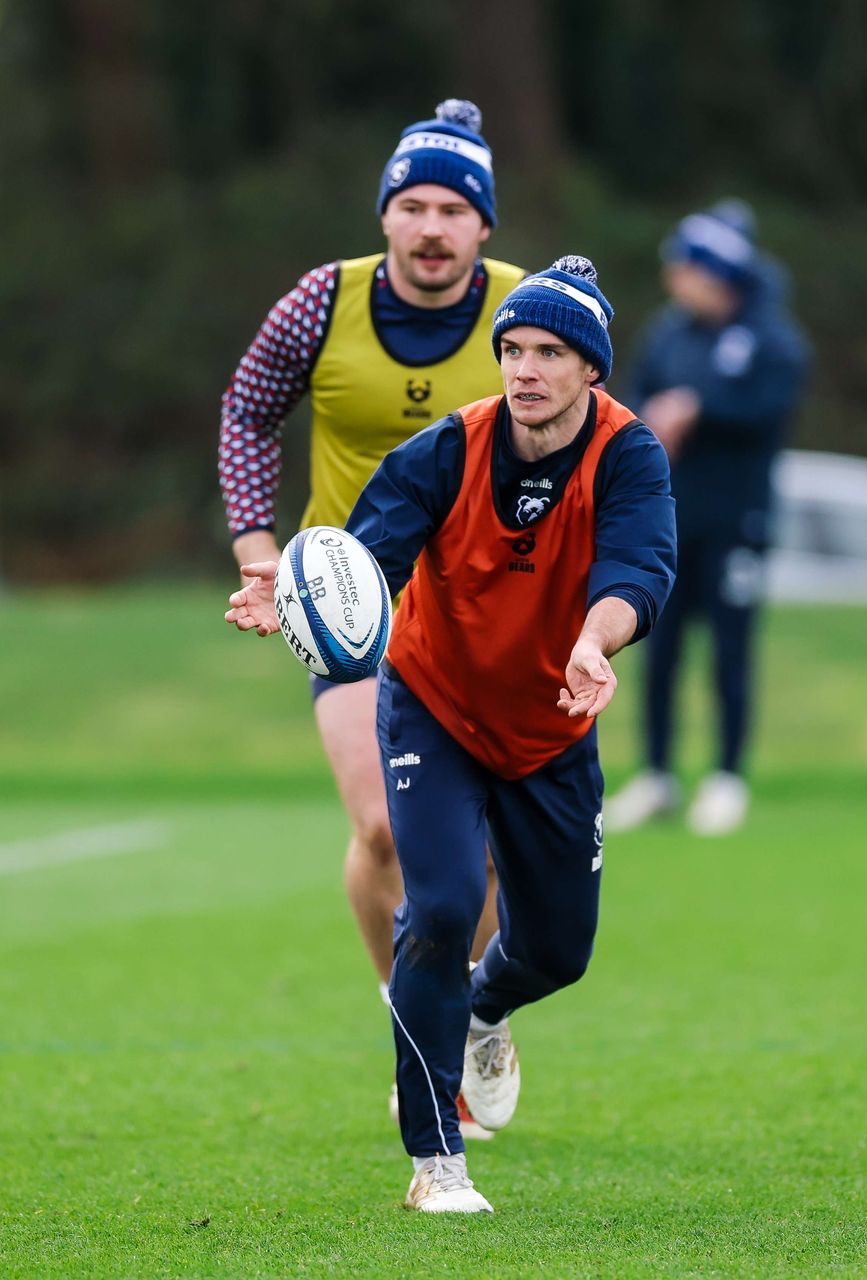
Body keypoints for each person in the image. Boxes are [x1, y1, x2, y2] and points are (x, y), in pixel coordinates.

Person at [227, 254, 676, 1211]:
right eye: (512, 348)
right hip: (433, 704)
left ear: (590, 370)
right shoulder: (449, 447)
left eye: (550, 352)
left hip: (552, 725)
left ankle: (483, 1011)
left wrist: (596, 644)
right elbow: (366, 560)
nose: (524, 369)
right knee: (435, 906)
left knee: (558, 951)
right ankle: (436, 1162)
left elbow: (640, 567)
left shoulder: (628, 454)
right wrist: (299, 592)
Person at [219, 100, 525, 1109]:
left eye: (453, 209)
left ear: (483, 226)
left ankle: (474, 1009)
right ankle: (415, 1019)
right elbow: (250, 410)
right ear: (385, 215)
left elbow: (594, 440)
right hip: (349, 599)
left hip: (486, 614)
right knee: (385, 828)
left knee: (474, 853)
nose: (432, 227)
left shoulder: (527, 315)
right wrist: (260, 549)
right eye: (414, 206)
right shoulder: (322, 300)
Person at [605, 200, 810, 837]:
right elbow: (635, 401)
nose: (674, 279)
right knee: (658, 648)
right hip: (669, 522)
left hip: (736, 522)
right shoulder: (670, 332)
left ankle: (726, 778)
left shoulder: (771, 338)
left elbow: (769, 405)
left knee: (729, 652)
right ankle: (658, 775)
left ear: (714, 270)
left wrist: (700, 408)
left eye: (684, 266)